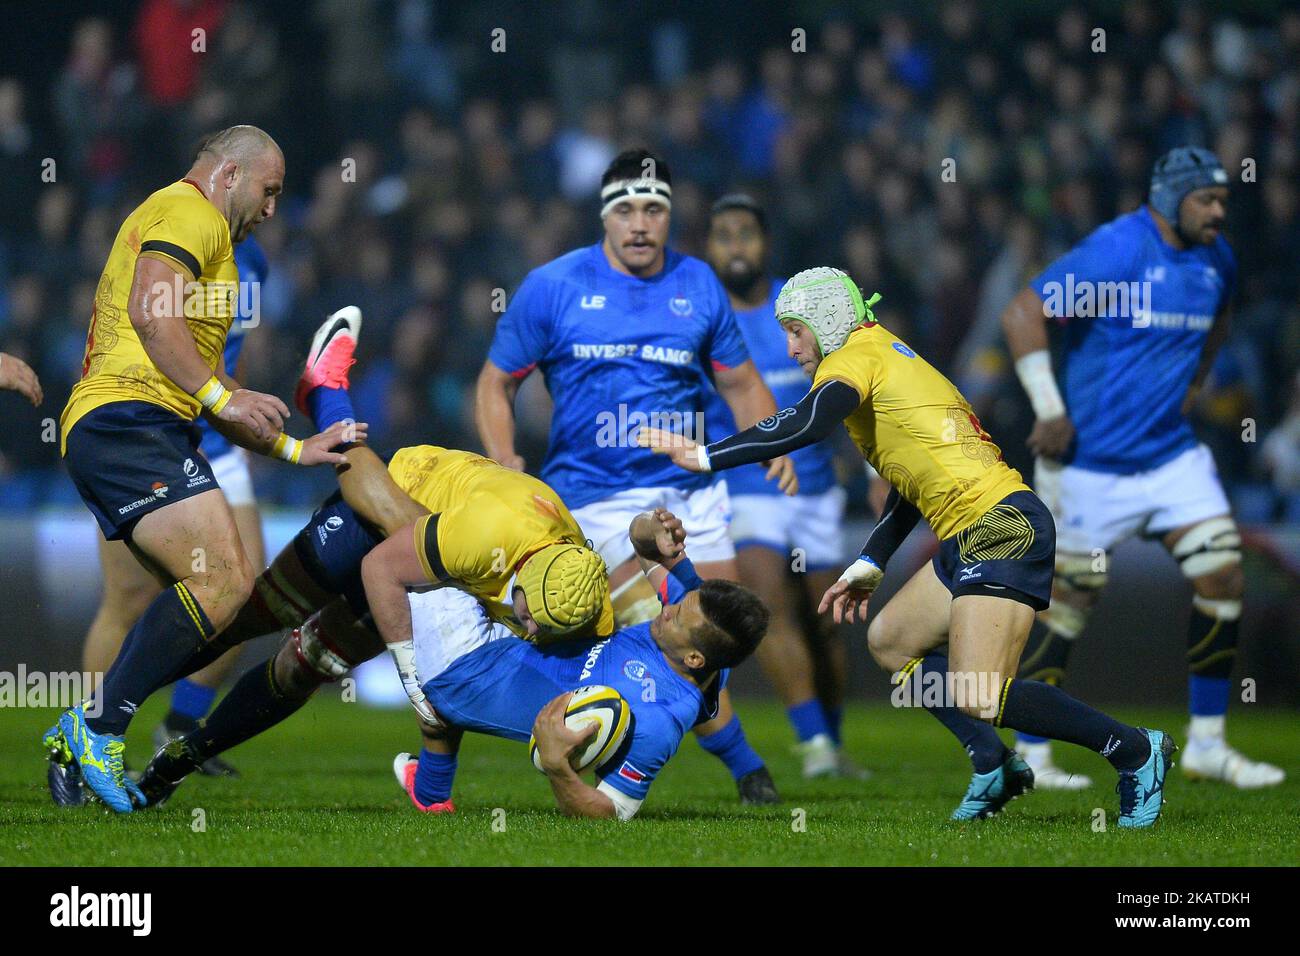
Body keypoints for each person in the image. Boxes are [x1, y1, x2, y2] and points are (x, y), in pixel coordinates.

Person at [640, 267, 1176, 828]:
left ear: (826, 322)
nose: (791, 345)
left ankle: (1136, 751)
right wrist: (873, 559)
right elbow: (911, 481)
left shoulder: (852, 358)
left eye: (797, 330)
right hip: (970, 529)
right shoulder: (881, 357)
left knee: (980, 691)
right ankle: (992, 760)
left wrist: (705, 456)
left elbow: (806, 423)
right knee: (893, 642)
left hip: (1002, 525)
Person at [136, 310, 615, 807]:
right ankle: (103, 713)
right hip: (402, 502)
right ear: (521, 577)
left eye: (542, 628)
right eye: (528, 617)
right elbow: (381, 568)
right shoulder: (489, 534)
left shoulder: (582, 598)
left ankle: (178, 760)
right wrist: (410, 676)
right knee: (254, 618)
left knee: (308, 666)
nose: (530, 632)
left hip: (442, 563)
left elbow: (452, 668)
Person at [43, 125, 355, 813]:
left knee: (218, 595)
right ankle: (99, 726)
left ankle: (89, 727)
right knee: (221, 580)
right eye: (269, 191)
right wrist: (221, 394)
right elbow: (151, 317)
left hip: (146, 427)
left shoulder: (221, 252)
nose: (273, 209)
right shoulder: (191, 211)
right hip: (125, 419)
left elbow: (210, 387)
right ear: (230, 175)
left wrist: (298, 451)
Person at [475, 148, 791, 803]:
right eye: (625, 210)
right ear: (605, 216)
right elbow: (494, 383)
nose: (640, 223)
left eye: (653, 209)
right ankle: (692, 771)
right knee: (660, 628)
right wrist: (504, 459)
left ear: (671, 216)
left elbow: (739, 381)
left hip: (693, 490)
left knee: (714, 643)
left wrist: (772, 442)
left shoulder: (699, 284)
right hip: (595, 495)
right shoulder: (553, 286)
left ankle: (737, 763)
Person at [1000, 146, 1283, 789]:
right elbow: (1022, 314)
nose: (1218, 212)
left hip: (1169, 456)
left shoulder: (1217, 259)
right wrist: (1049, 408)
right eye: (1205, 200)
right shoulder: (1118, 251)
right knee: (1065, 606)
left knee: (1224, 577)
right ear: (1169, 198)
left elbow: (1218, 326)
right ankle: (1034, 755)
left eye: (1223, 202)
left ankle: (1208, 743)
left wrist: (1193, 389)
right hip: (1091, 466)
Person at [49, 236, 269, 810]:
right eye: (263, 191)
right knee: (130, 597)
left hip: (216, 433)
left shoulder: (253, 264)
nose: (268, 208)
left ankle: (177, 725)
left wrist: (245, 413)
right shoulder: (170, 245)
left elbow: (228, 353)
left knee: (242, 589)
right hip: (149, 432)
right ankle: (81, 746)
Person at [702, 194, 860, 778]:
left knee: (827, 623)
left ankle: (834, 746)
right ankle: (814, 744)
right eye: (723, 234)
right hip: (746, 487)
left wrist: (871, 471)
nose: (736, 244)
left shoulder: (802, 308)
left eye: (746, 232)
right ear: (709, 247)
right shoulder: (706, 317)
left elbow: (857, 384)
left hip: (817, 488)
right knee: (770, 605)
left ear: (766, 243)